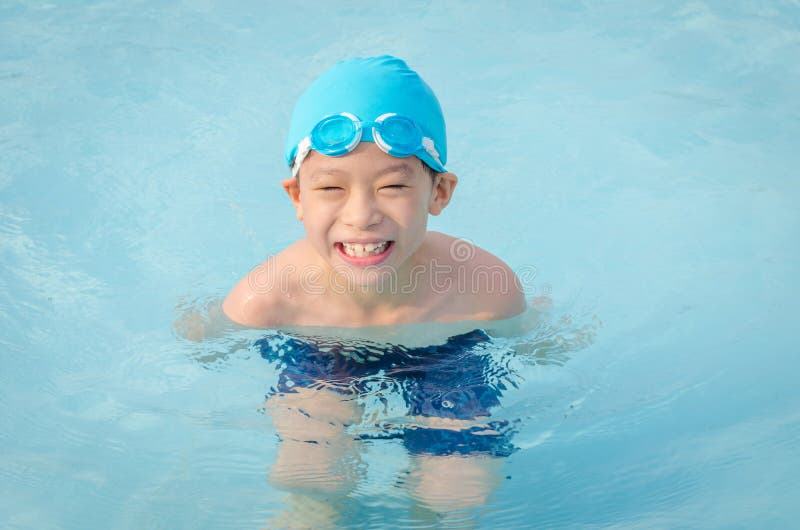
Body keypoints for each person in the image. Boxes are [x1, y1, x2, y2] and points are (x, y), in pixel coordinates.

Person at [222, 55, 526, 328]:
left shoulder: (485, 293)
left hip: (448, 352)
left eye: (392, 186)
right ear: (298, 197)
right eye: (331, 187)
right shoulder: (265, 305)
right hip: (313, 350)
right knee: (316, 394)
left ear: (439, 193)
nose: (361, 217)